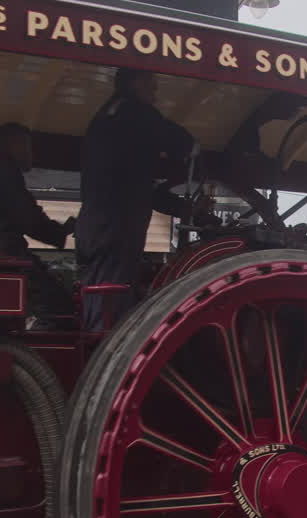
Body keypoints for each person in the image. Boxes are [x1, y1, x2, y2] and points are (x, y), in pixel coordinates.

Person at [78, 68, 209, 330]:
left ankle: (96, 344)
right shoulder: (133, 112)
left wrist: (186, 209)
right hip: (116, 226)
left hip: (97, 225)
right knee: (111, 295)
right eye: (151, 83)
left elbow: (141, 190)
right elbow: (176, 139)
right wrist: (193, 150)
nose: (156, 91)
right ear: (135, 82)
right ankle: (105, 355)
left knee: (99, 294)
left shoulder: (108, 117)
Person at [0, 122, 75, 321]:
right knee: (57, 303)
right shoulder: (2, 169)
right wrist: (59, 232)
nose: (31, 154)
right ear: (13, 145)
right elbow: (27, 216)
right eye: (27, 147)